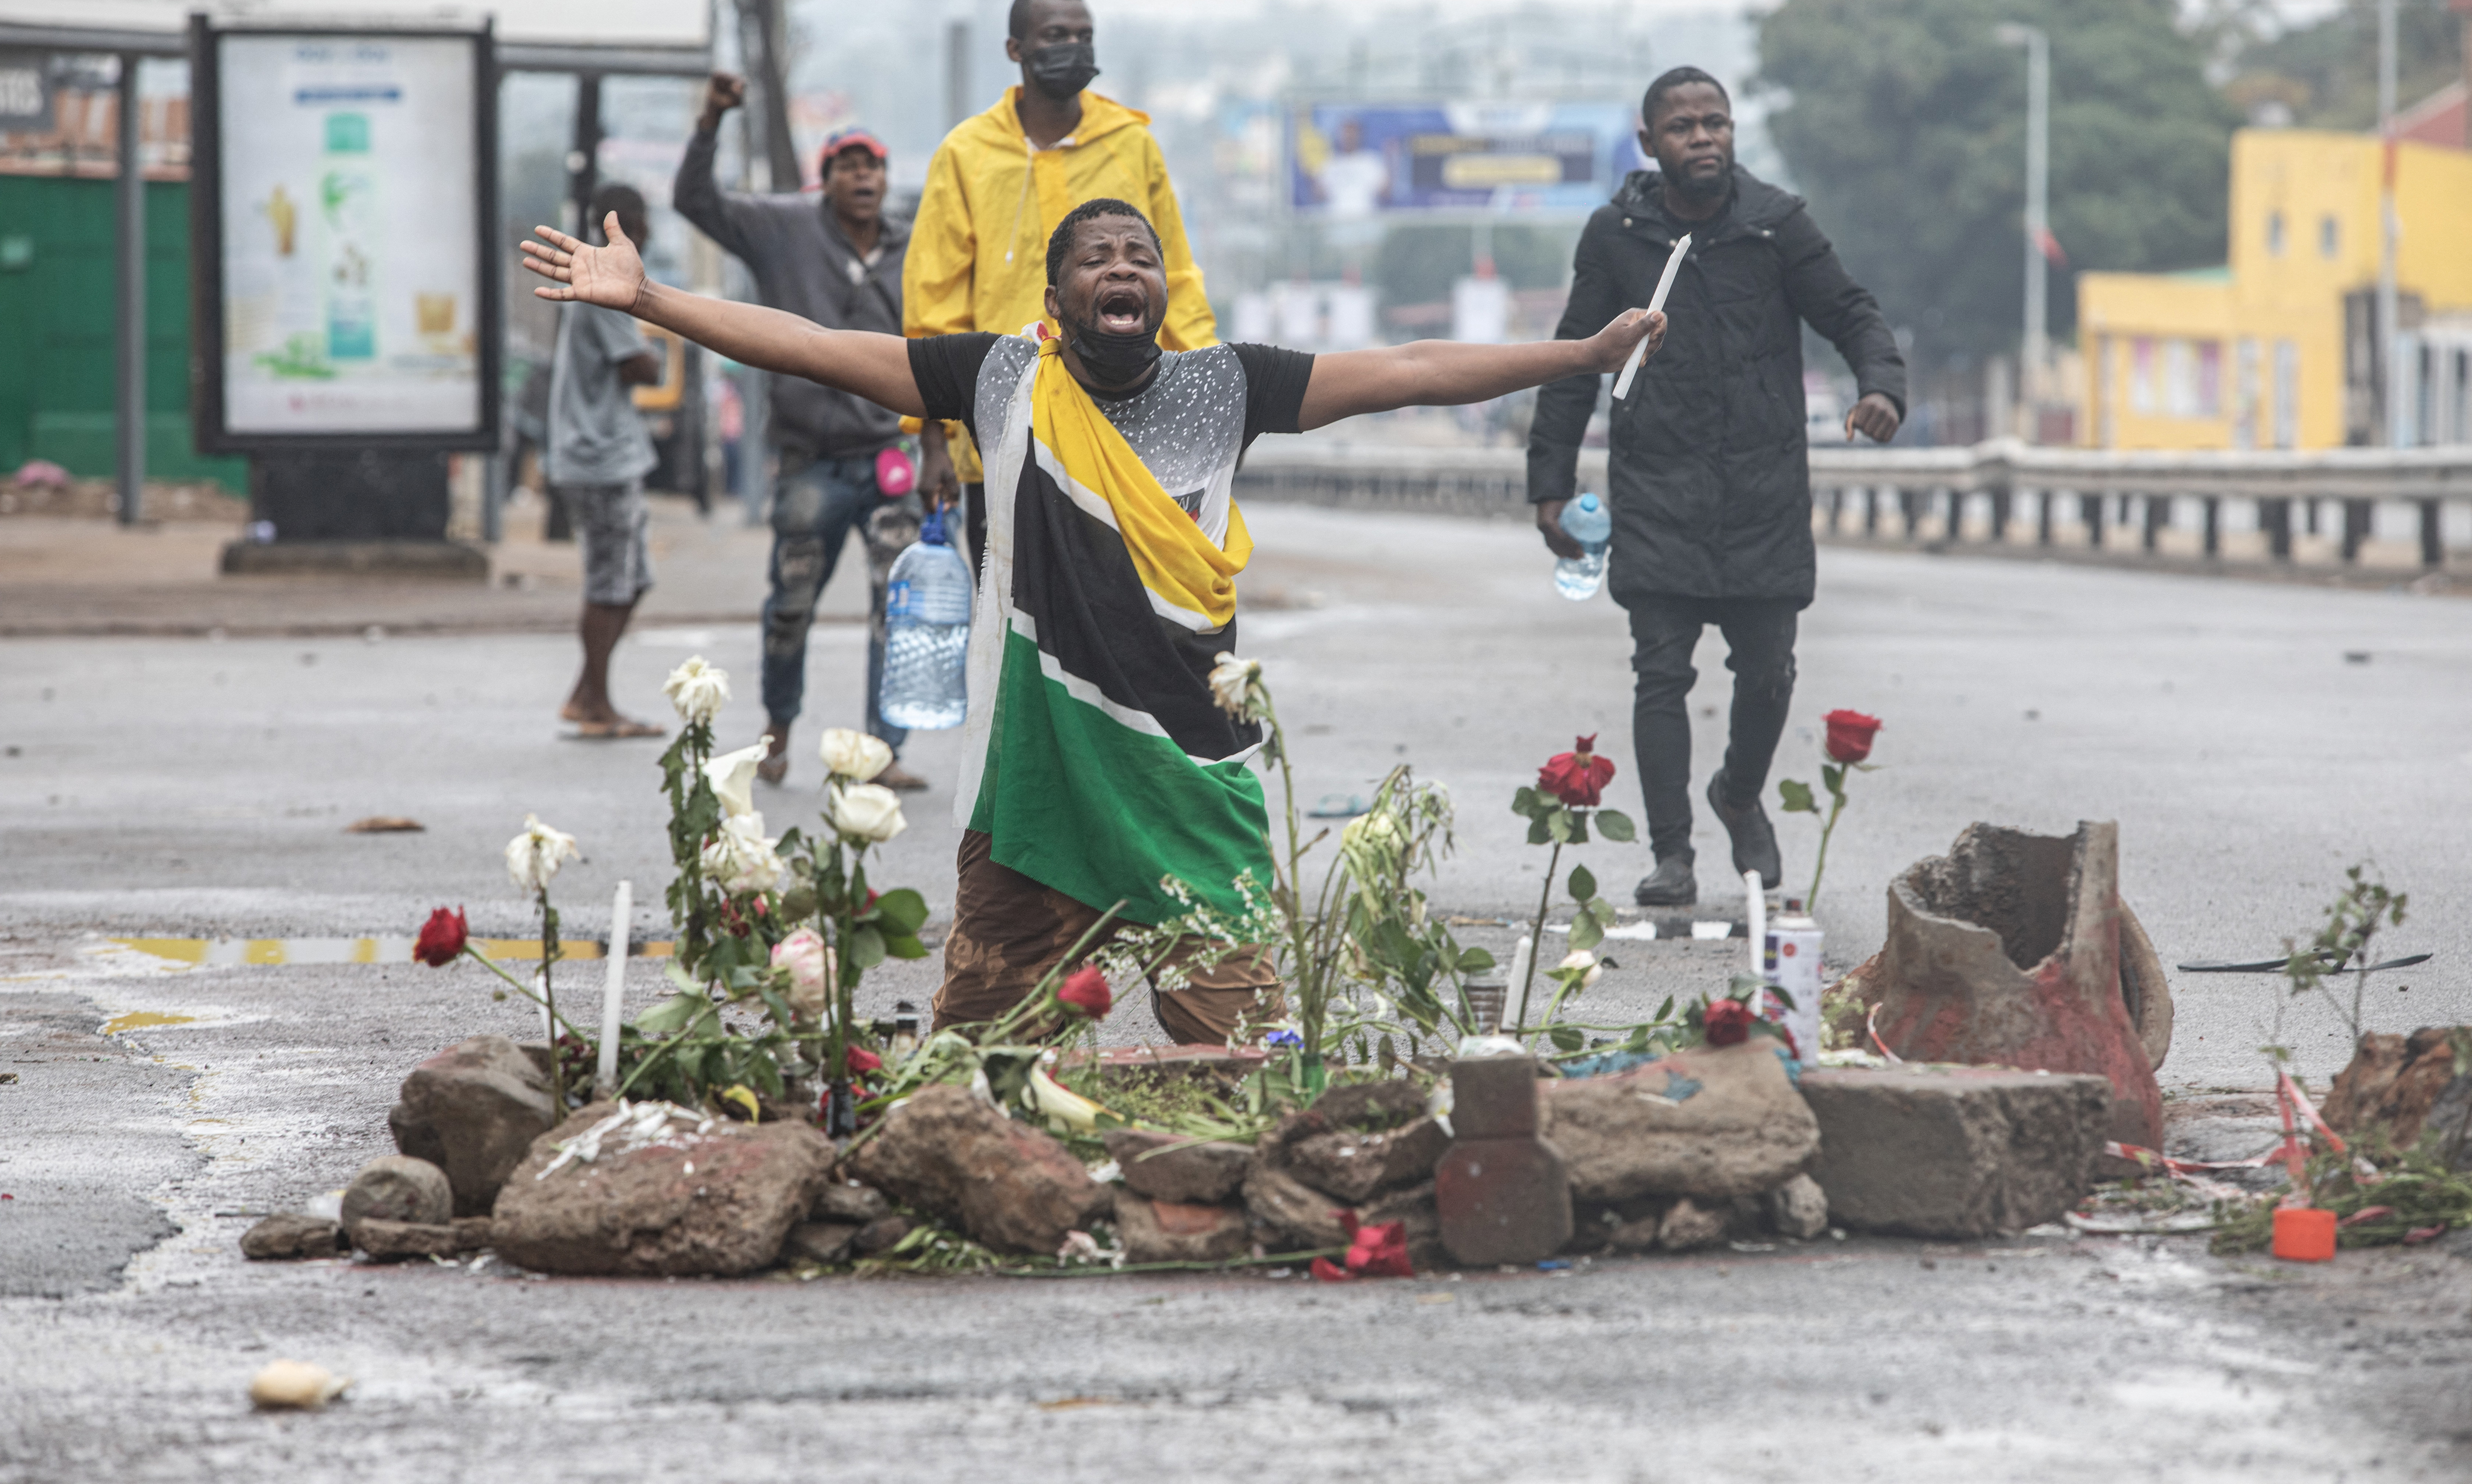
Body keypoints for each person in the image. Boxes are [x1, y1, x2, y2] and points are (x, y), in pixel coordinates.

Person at [524, 196, 1664, 1042]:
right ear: (1059, 294)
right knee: (977, 1060)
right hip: (1035, 782)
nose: (1122, 266)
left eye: (1141, 255)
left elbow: (1413, 366)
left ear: (1161, 291)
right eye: (1094, 256)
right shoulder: (1001, 379)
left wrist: (1582, 352)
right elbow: (823, 350)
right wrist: (653, 299)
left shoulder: (1230, 386)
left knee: (1244, 1060)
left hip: (1191, 781)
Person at [1529, 66, 1906, 910]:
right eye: (1683, 127)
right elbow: (1571, 363)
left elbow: (1850, 312)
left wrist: (1880, 387)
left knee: (1768, 672)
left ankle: (1738, 794)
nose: (1702, 138)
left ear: (1733, 133)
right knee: (1660, 674)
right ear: (1649, 144)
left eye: (1716, 123)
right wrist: (1549, 483)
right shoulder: (1616, 236)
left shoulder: (1776, 227)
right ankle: (1672, 856)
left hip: (1764, 490)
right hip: (1657, 487)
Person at [905, 0, 1216, 579]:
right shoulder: (967, 154)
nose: (1074, 48)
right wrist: (931, 439)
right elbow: (934, 300)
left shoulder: (1131, 145)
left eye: (1084, 36)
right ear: (1015, 49)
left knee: (1123, 601)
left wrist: (1202, 388)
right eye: (1056, 36)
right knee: (1009, 603)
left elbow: (1175, 272)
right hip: (1002, 423)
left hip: (1127, 419)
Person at [675, 76, 925, 790]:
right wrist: (711, 122)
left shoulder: (917, 245)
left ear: (885, 178)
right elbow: (699, 204)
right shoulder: (784, 228)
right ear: (826, 180)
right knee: (790, 606)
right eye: (848, 165)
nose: (863, 177)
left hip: (889, 456)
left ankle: (884, 751)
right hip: (810, 461)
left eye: (872, 165)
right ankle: (778, 732)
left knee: (896, 607)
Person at [544, 184, 666, 738]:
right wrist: (657, 348)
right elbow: (639, 367)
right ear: (635, 224)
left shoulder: (595, 276)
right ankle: (596, 703)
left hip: (606, 451)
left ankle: (587, 691)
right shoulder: (606, 284)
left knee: (633, 577)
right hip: (599, 456)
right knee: (609, 582)